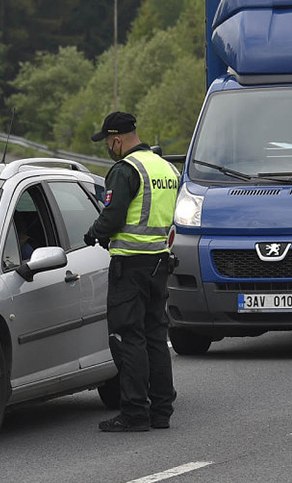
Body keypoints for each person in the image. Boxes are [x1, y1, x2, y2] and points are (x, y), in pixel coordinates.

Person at [83, 111, 180, 432]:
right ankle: (161, 410)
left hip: (130, 265)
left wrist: (93, 233)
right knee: (155, 336)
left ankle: (135, 412)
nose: (108, 149)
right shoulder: (166, 168)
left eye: (108, 143)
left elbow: (112, 218)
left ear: (117, 139)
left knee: (128, 338)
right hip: (159, 263)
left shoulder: (125, 170)